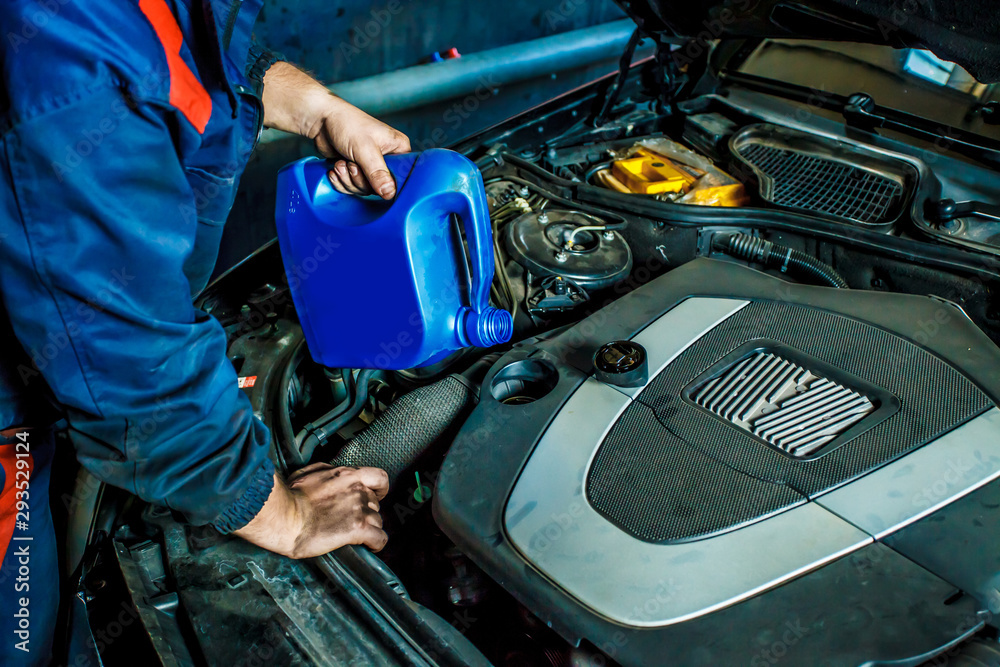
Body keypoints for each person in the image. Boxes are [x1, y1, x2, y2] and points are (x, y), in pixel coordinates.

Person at [0, 0, 410, 663]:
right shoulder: (73, 47)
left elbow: (185, 47)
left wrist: (312, 107)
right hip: (10, 428)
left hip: (44, 378)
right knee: (21, 632)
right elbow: (126, 354)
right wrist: (284, 515)